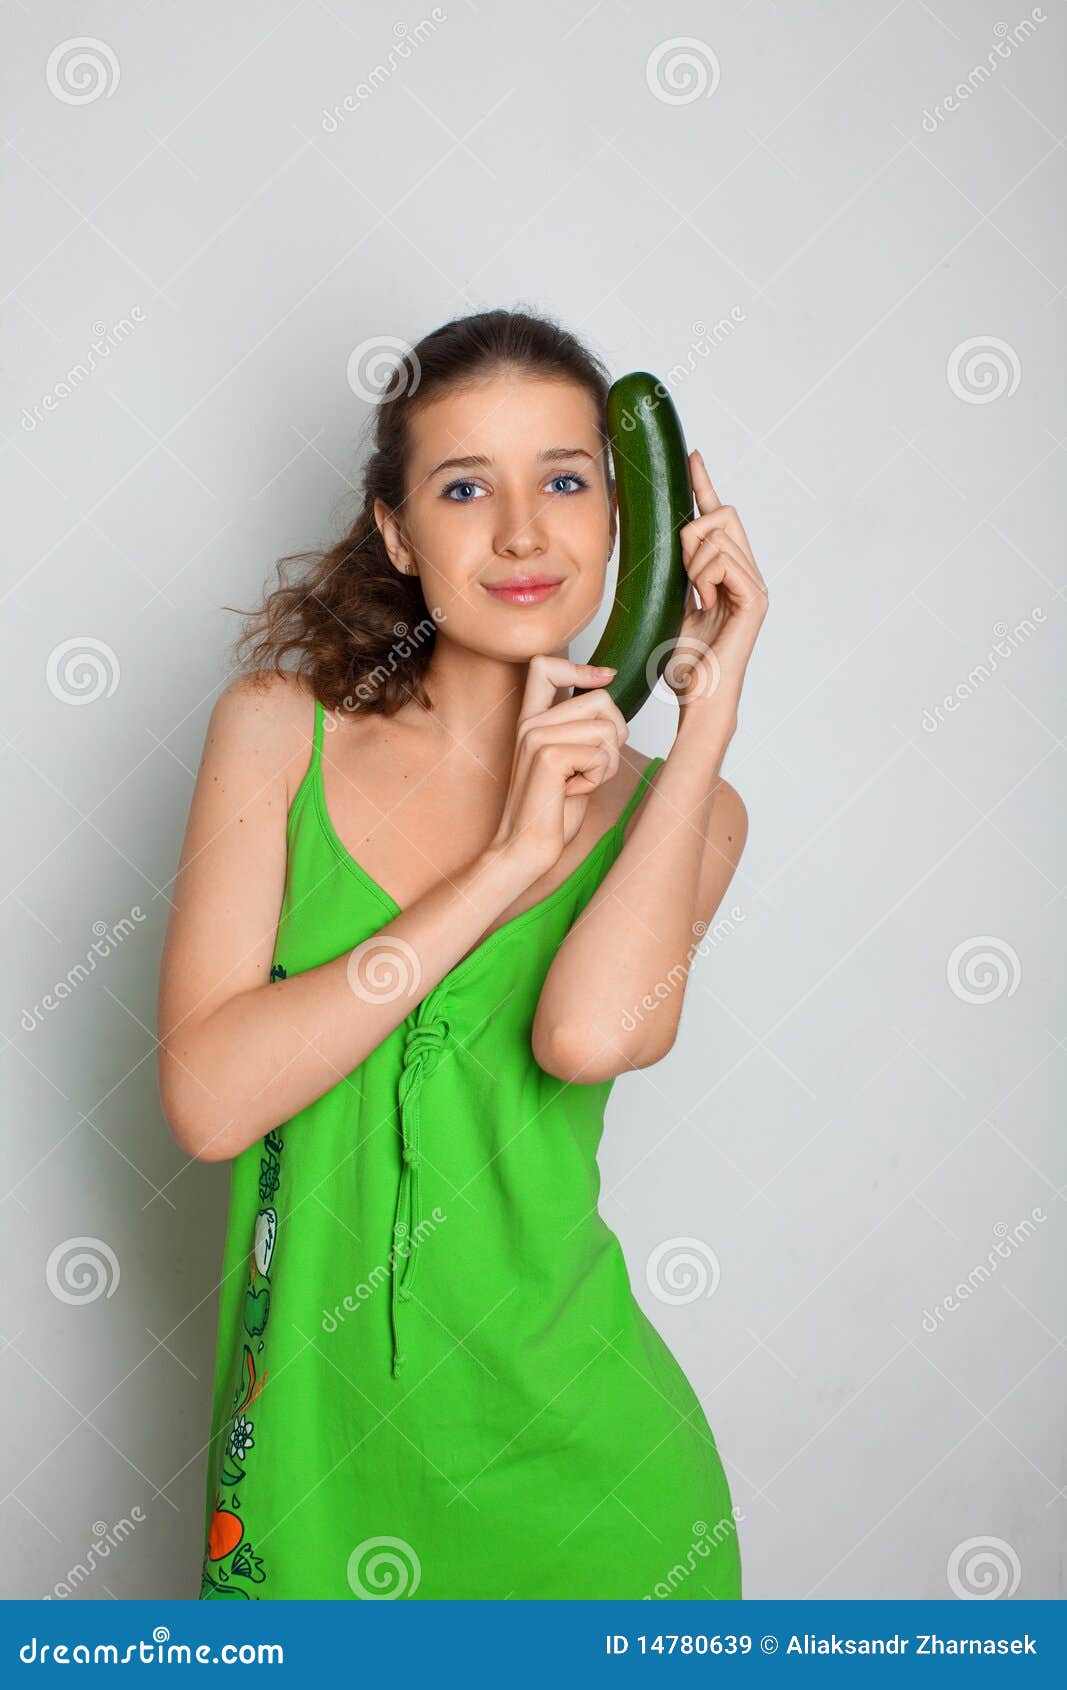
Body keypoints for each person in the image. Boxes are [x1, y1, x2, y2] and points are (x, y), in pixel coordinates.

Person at [157, 306, 768, 1600]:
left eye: (565, 479)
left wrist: (704, 710)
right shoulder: (276, 733)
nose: (524, 532)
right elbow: (211, 1100)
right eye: (462, 486)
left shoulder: (690, 814)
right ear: (396, 529)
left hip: (596, 1498)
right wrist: (503, 862)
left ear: (628, 519)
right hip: (316, 1484)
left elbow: (589, 1035)